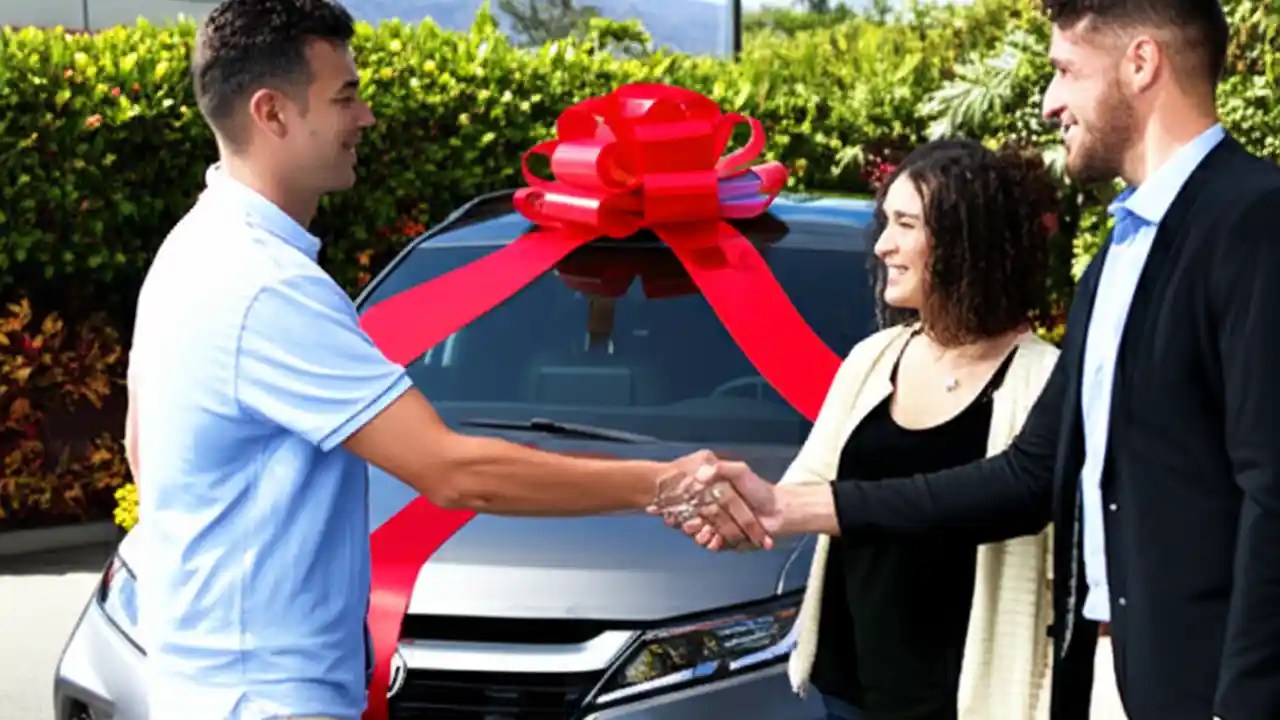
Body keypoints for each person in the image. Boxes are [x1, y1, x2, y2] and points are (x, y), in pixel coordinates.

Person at [122, 1, 761, 719]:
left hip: (203, 683)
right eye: (345, 97)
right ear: (272, 113)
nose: (364, 117)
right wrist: (665, 483)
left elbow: (141, 448)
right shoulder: (266, 287)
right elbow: (452, 472)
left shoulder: (191, 252)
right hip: (265, 697)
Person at [666, 0, 1280, 718]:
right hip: (1110, 677)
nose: (1051, 103)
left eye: (1064, 71)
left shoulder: (1255, 221)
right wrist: (788, 505)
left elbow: (1272, 494)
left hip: (1207, 690)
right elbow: (1024, 478)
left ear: (1141, 63)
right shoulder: (1117, 256)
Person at [770, 139, 1062, 720]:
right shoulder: (872, 359)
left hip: (969, 704)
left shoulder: (1044, 379)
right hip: (850, 696)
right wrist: (724, 503)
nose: (883, 245)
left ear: (964, 242)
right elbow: (799, 490)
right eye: (886, 222)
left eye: (905, 223)